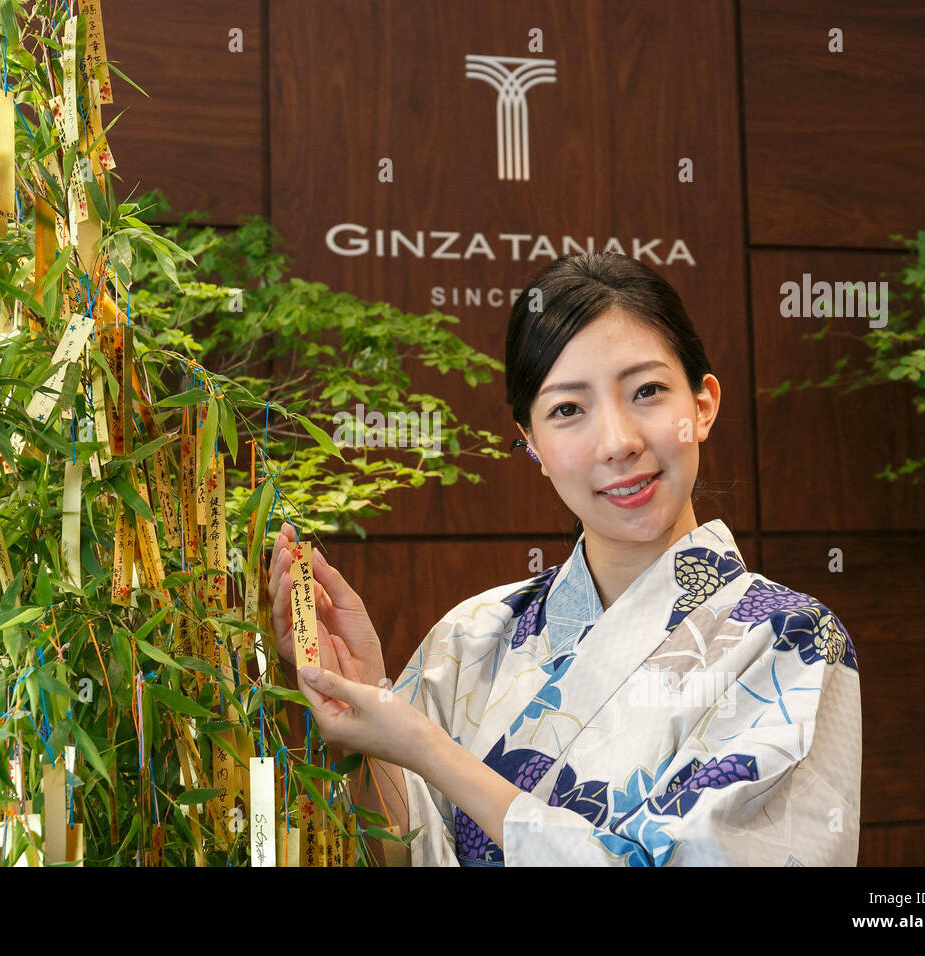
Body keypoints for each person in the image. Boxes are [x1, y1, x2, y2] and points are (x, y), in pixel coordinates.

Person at [266, 251, 861, 866]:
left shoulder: (790, 639)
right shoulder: (468, 639)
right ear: (533, 445)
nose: (618, 443)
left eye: (648, 391)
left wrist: (426, 746)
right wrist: (363, 714)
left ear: (702, 405)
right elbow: (404, 853)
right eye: (568, 410)